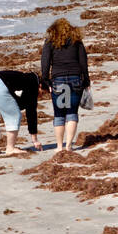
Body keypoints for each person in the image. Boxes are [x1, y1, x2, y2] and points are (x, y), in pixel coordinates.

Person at [41, 18, 90, 153]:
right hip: (75, 79)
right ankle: (68, 146)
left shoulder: (50, 42)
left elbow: (45, 63)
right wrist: (86, 80)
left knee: (59, 115)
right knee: (72, 113)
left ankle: (59, 146)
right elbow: (83, 62)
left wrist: (45, 81)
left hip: (58, 81)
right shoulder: (77, 41)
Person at [0, 69, 41, 157]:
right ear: (40, 86)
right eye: (43, 93)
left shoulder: (23, 77)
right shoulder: (33, 84)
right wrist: (35, 140)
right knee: (14, 115)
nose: (41, 96)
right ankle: (10, 148)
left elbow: (13, 98)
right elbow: (31, 112)